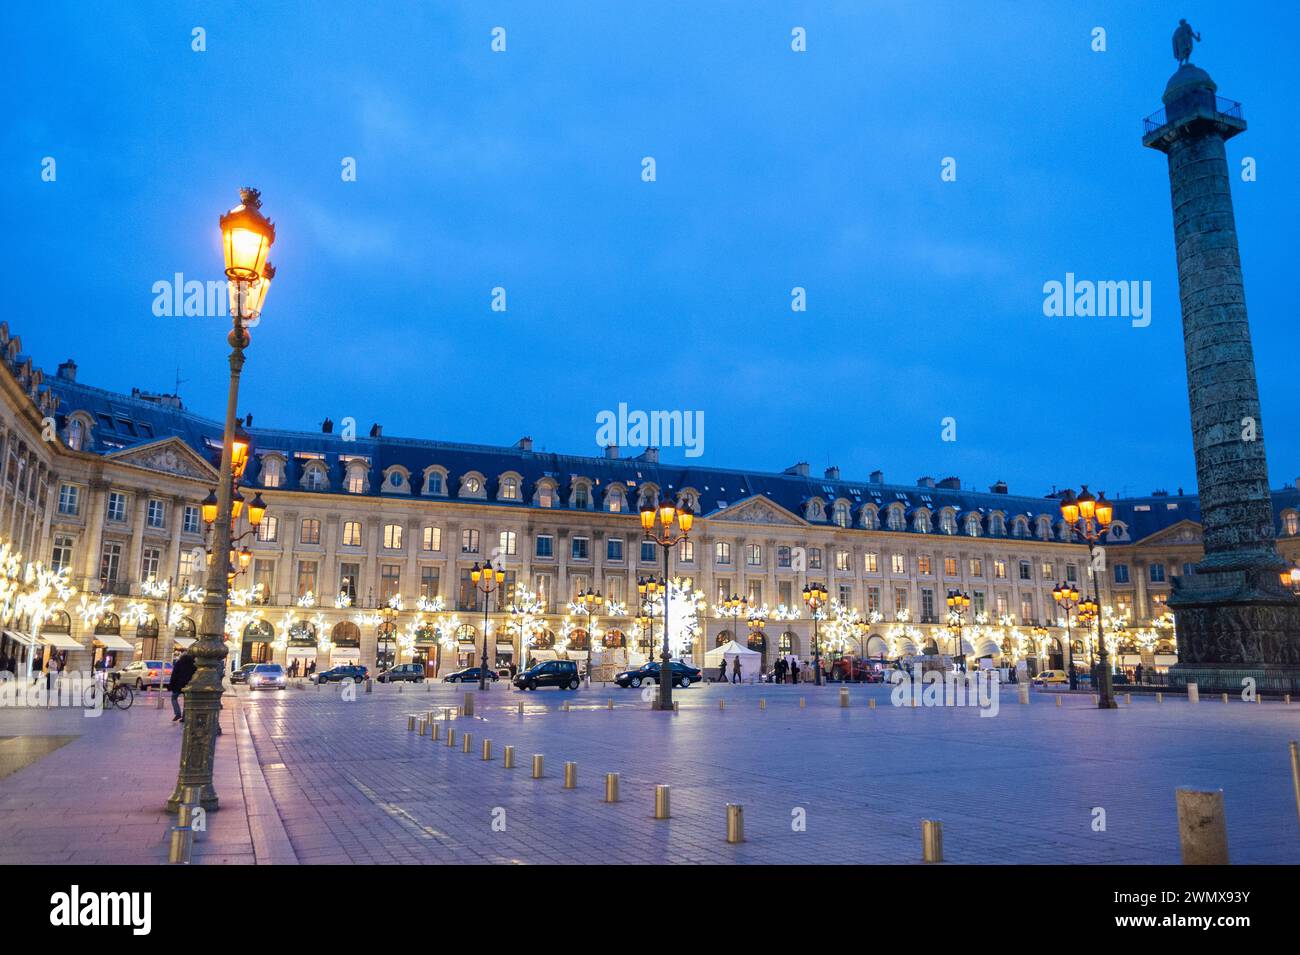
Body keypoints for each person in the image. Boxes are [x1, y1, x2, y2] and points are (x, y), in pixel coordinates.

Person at [168, 650, 197, 723]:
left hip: (178, 684)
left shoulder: (179, 663)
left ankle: (177, 713)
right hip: (188, 684)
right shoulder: (193, 664)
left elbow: (174, 674)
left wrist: (171, 684)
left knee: (174, 698)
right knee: (186, 701)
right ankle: (184, 717)